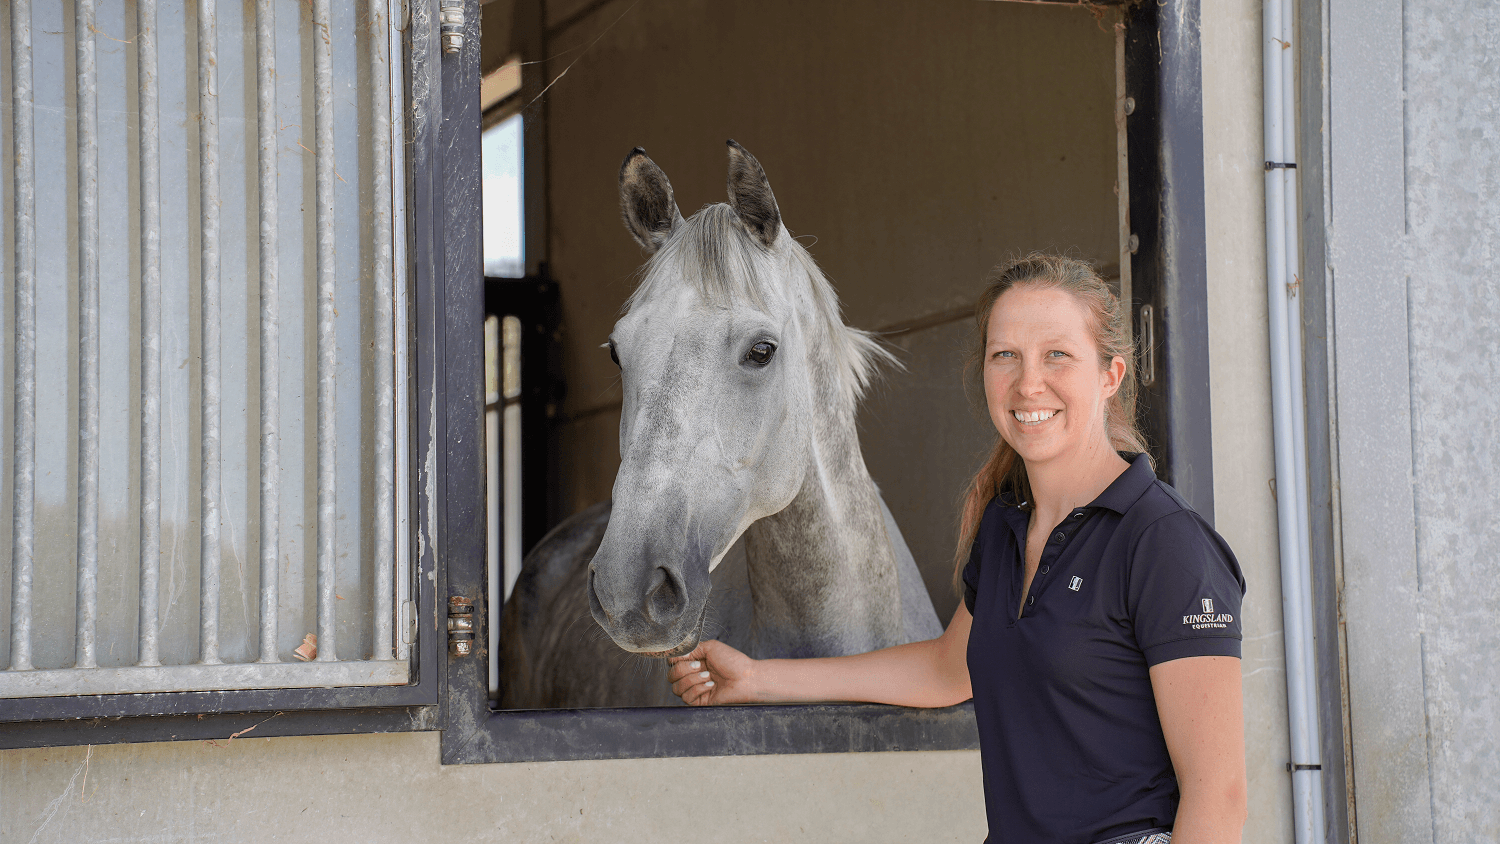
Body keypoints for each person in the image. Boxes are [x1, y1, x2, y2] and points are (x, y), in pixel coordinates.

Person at [667, 254, 1248, 844]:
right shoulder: (1005, 524)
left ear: (1110, 376)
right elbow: (948, 669)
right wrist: (758, 679)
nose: (1028, 383)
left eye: (1057, 355)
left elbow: (1219, 799)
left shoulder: (1164, 543)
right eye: (1006, 356)